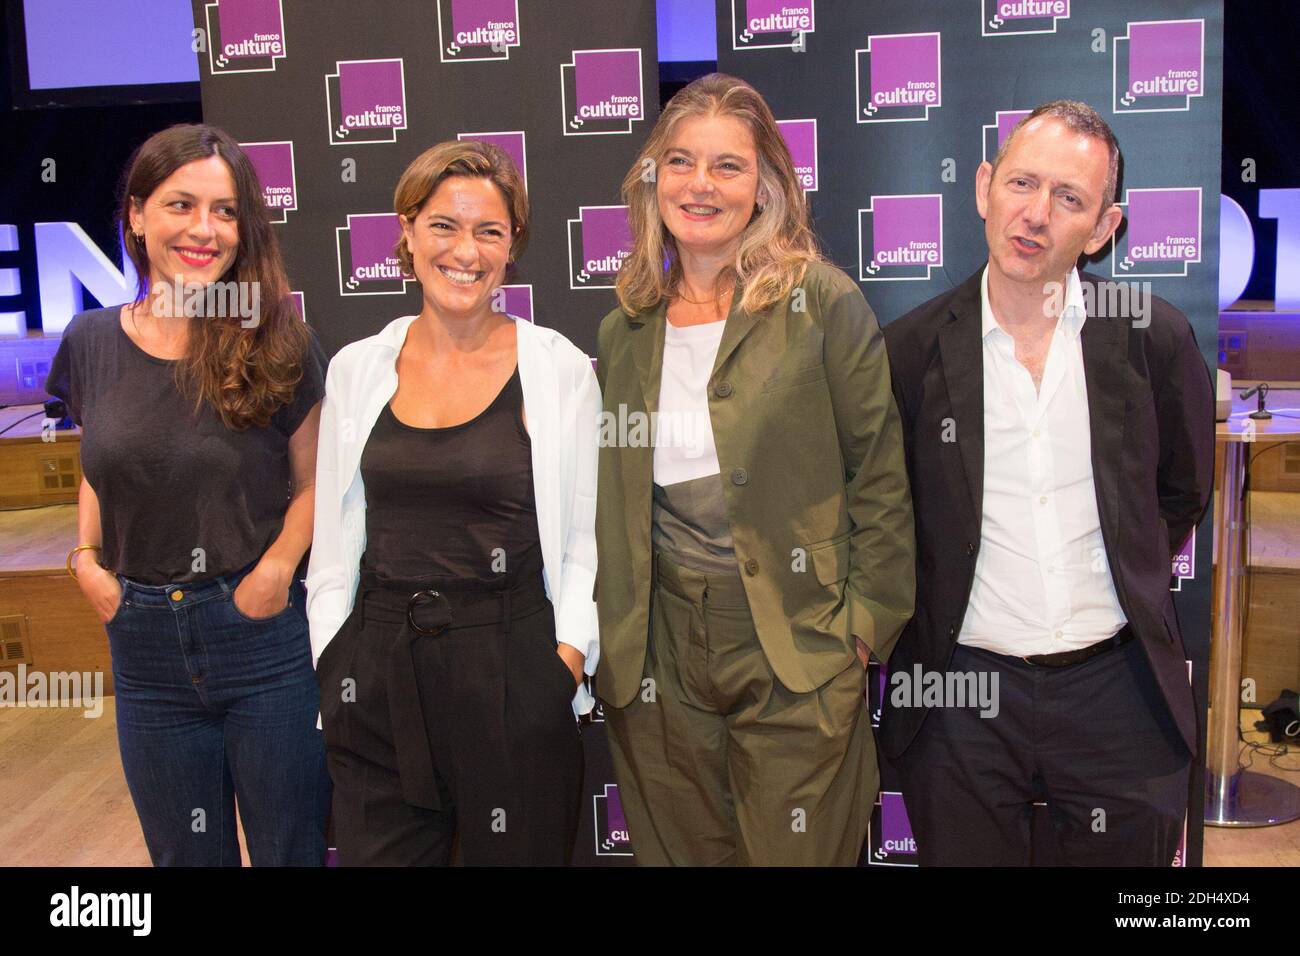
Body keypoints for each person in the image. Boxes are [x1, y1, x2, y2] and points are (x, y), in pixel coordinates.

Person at [880, 101, 1215, 866]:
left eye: (1069, 198)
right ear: (983, 189)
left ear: (1103, 227)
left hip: (1119, 692)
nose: (1035, 214)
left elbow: (1181, 489)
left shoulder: (1153, 338)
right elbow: (887, 516)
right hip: (960, 698)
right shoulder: (908, 352)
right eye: (1021, 183)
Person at [594, 73, 915, 866]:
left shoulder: (823, 304)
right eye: (680, 162)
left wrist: (861, 634)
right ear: (652, 178)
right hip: (659, 652)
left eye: (727, 166)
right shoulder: (623, 325)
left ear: (767, 184)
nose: (700, 185)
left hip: (796, 642)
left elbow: (879, 476)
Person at [307, 140, 599, 866]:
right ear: (406, 233)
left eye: (489, 231)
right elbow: (337, 533)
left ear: (511, 249)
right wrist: (334, 661)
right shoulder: (356, 368)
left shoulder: (559, 369)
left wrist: (562, 664)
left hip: (510, 665)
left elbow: (585, 540)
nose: (465, 250)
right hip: (375, 671)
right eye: (443, 225)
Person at [45, 124, 330, 866]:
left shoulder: (276, 338)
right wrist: (86, 560)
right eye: (181, 205)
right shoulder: (90, 340)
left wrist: (272, 576)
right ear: (137, 215)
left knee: (290, 852)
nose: (205, 230)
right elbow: (100, 460)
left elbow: (316, 481)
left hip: (262, 640)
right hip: (141, 645)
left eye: (226, 211)